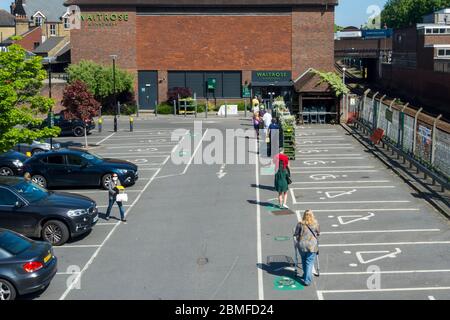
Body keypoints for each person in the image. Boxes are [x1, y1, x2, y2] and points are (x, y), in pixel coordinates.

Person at [294, 210, 320, 286]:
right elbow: (318, 233)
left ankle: (305, 275)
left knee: (304, 260)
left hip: (302, 245)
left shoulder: (300, 224)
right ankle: (307, 280)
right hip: (312, 246)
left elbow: (296, 234)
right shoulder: (316, 223)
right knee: (309, 262)